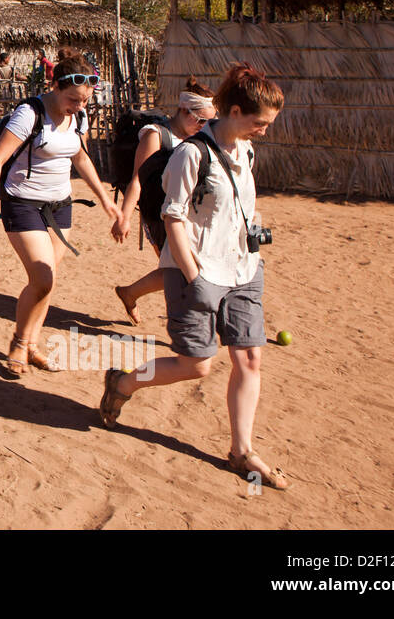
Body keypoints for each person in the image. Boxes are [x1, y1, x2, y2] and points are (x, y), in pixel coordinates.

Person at [99, 64, 289, 491]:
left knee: (250, 359)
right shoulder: (191, 153)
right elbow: (172, 216)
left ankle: (241, 450)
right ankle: (122, 383)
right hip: (196, 272)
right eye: (259, 123)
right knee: (196, 365)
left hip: (243, 269)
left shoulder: (246, 150)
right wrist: (193, 274)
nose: (263, 131)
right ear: (235, 111)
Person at [0, 48, 119, 378]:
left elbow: (79, 157)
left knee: (47, 283)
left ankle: (32, 344)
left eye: (84, 101)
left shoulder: (78, 116)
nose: (79, 107)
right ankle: (18, 342)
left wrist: (105, 199)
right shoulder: (30, 113)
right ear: (56, 87)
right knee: (43, 277)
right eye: (73, 99)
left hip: (60, 205)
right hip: (21, 202)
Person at [111, 78, 216, 325]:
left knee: (176, 270)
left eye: (209, 121)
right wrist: (124, 218)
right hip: (159, 215)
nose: (204, 125)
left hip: (191, 214)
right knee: (178, 269)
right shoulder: (156, 136)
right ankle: (183, 322)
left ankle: (130, 293)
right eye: (200, 119)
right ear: (183, 110)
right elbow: (137, 179)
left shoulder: (201, 137)